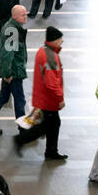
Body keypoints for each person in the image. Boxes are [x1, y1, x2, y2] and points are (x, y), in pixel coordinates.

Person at [14, 26, 67, 161]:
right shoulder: (51, 56)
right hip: (49, 100)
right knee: (46, 126)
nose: (62, 42)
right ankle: (21, 139)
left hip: (42, 97)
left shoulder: (42, 51)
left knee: (53, 124)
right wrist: (60, 98)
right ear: (55, 41)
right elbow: (51, 83)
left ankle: (51, 151)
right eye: (61, 39)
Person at [0, 4, 28, 136]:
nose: (26, 17)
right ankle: (23, 129)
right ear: (15, 16)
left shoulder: (10, 27)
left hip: (10, 71)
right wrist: (8, 73)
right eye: (23, 15)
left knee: (2, 97)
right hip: (14, 72)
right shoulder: (12, 31)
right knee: (19, 100)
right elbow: (8, 54)